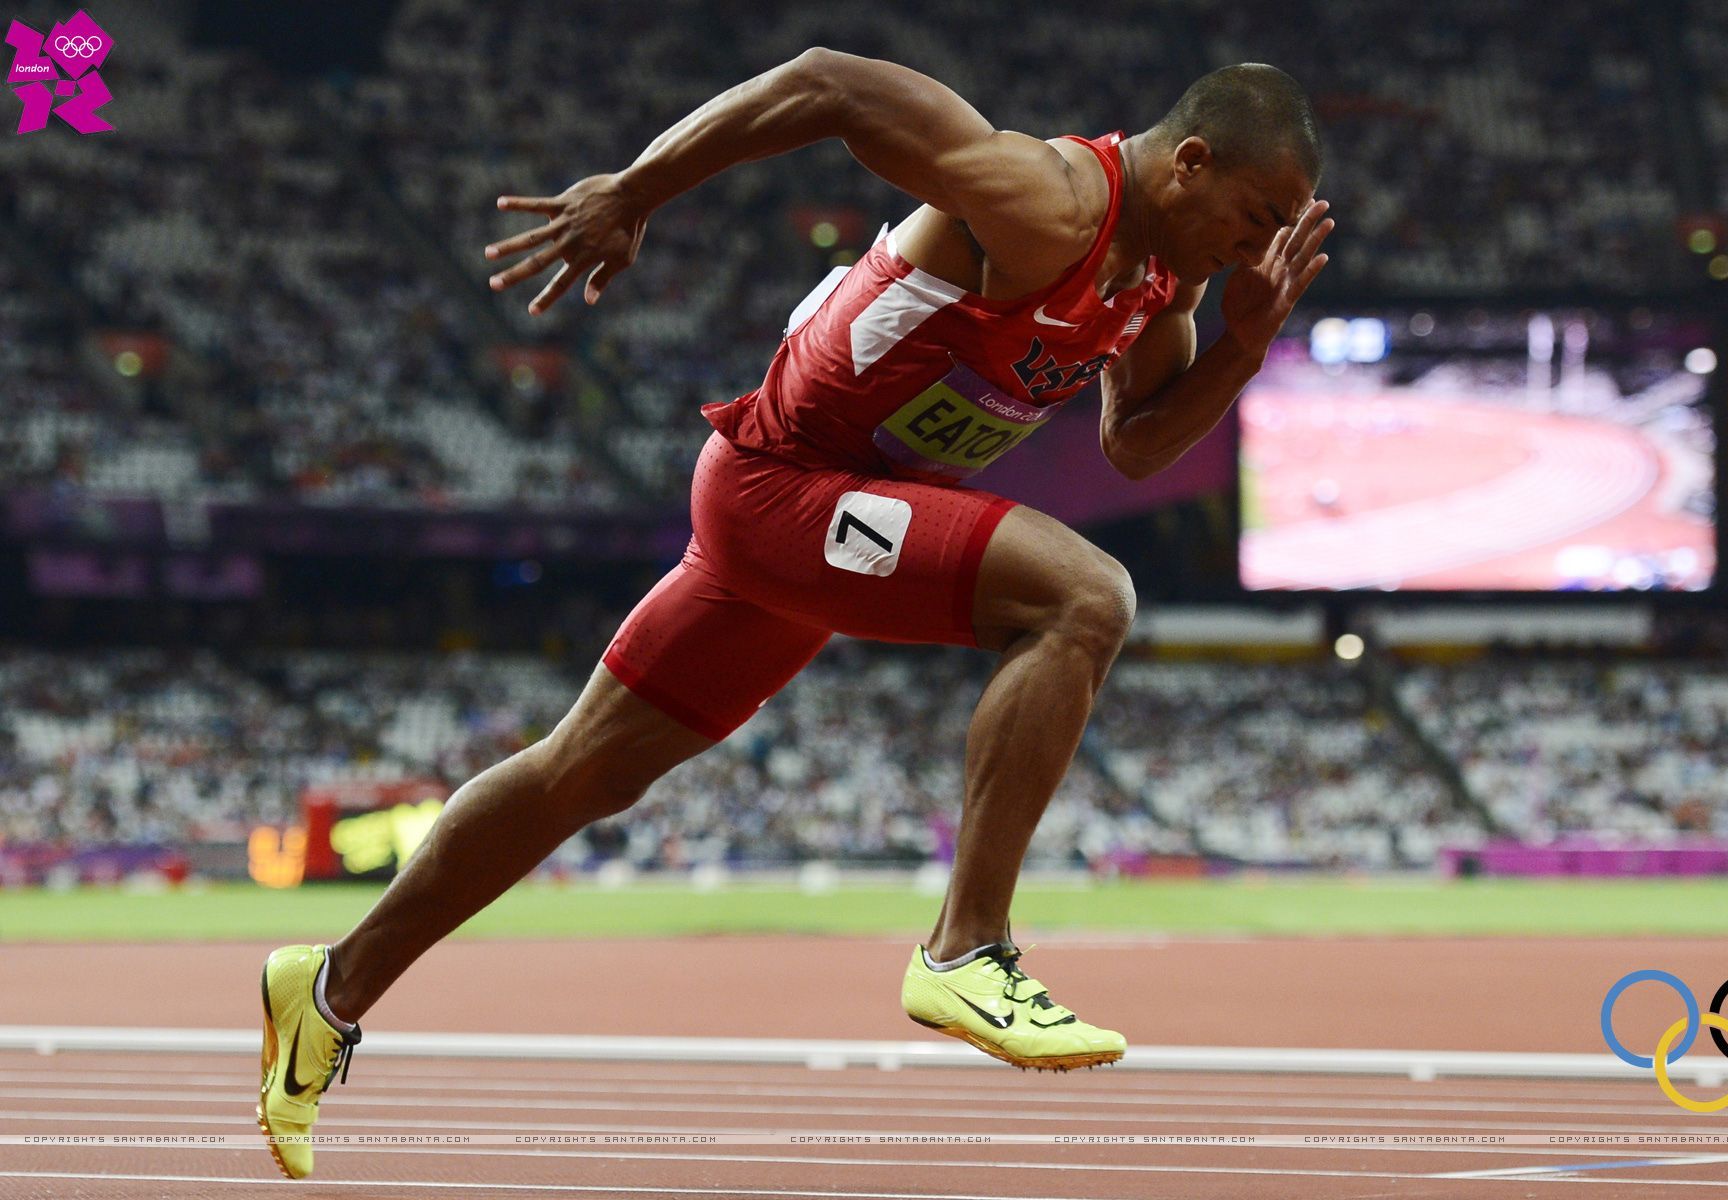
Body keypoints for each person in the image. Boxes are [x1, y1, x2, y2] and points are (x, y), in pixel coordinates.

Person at [256, 47, 1330, 1179]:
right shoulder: (1048, 198)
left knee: (585, 771)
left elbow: (1137, 444)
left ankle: (327, 988)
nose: (1257, 245)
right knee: (1084, 598)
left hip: (826, 522)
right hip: (783, 490)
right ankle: (969, 948)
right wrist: (634, 191)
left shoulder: (1169, 284)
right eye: (1257, 216)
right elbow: (832, 84)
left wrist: (1247, 345)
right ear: (1192, 162)